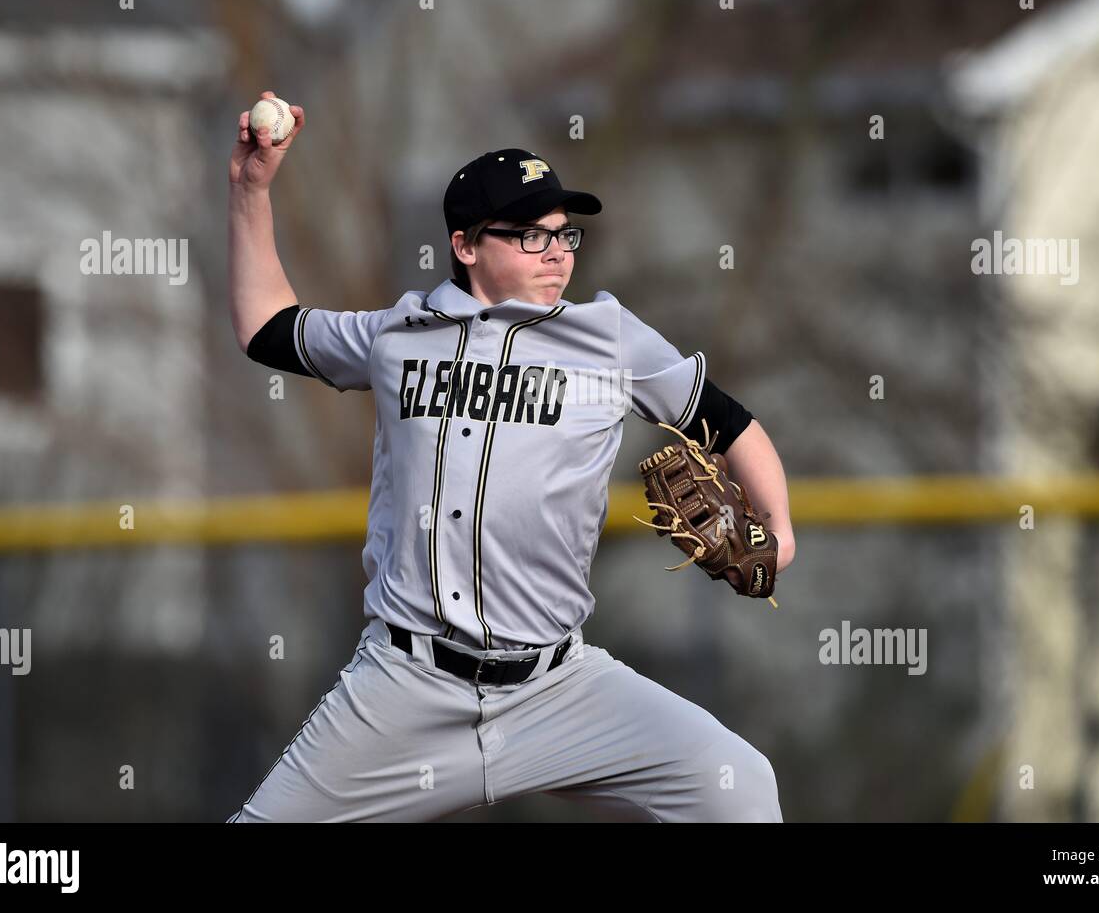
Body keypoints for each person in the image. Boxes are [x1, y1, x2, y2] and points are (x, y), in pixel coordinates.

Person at [225, 91, 796, 822]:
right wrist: (251, 190)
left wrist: (779, 531)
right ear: (465, 245)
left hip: (559, 688)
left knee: (739, 783)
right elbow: (266, 327)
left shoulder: (610, 340)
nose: (557, 251)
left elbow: (732, 423)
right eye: (530, 235)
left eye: (564, 234)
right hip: (405, 685)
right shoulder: (398, 334)